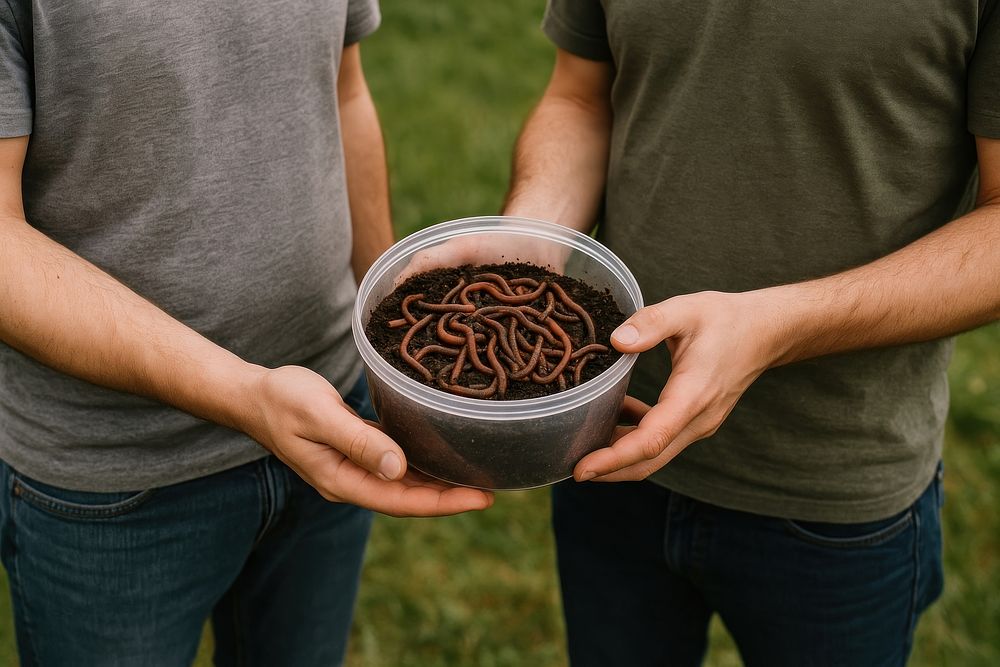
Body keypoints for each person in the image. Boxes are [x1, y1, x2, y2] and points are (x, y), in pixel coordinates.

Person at [501, 1, 1000, 665]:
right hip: (607, 435)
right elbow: (581, 96)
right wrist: (529, 235)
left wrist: (779, 325)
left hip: (831, 496)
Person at [0, 1, 492, 664]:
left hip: (336, 413)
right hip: (115, 481)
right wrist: (246, 394)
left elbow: (342, 89)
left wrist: (397, 345)